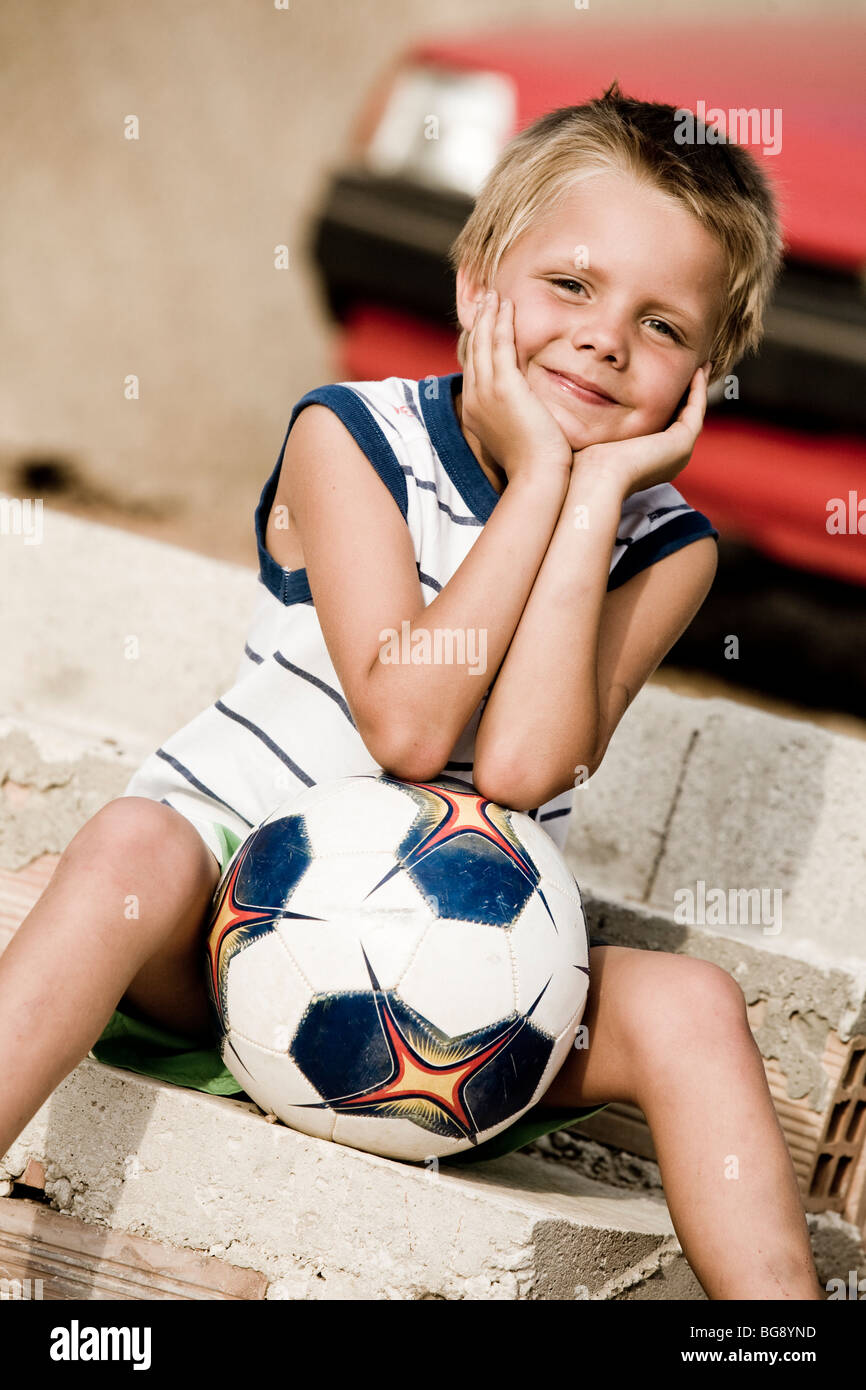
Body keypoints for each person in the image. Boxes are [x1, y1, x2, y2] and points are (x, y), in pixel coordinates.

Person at [0, 84, 822, 1299]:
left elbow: (522, 770)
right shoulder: (355, 438)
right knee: (126, 845)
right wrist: (537, 477)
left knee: (693, 1003)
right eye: (571, 287)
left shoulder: (664, 545)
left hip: (464, 998)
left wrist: (585, 503)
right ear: (474, 291)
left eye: (662, 326)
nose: (605, 338)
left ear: (707, 376)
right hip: (224, 927)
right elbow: (410, 721)